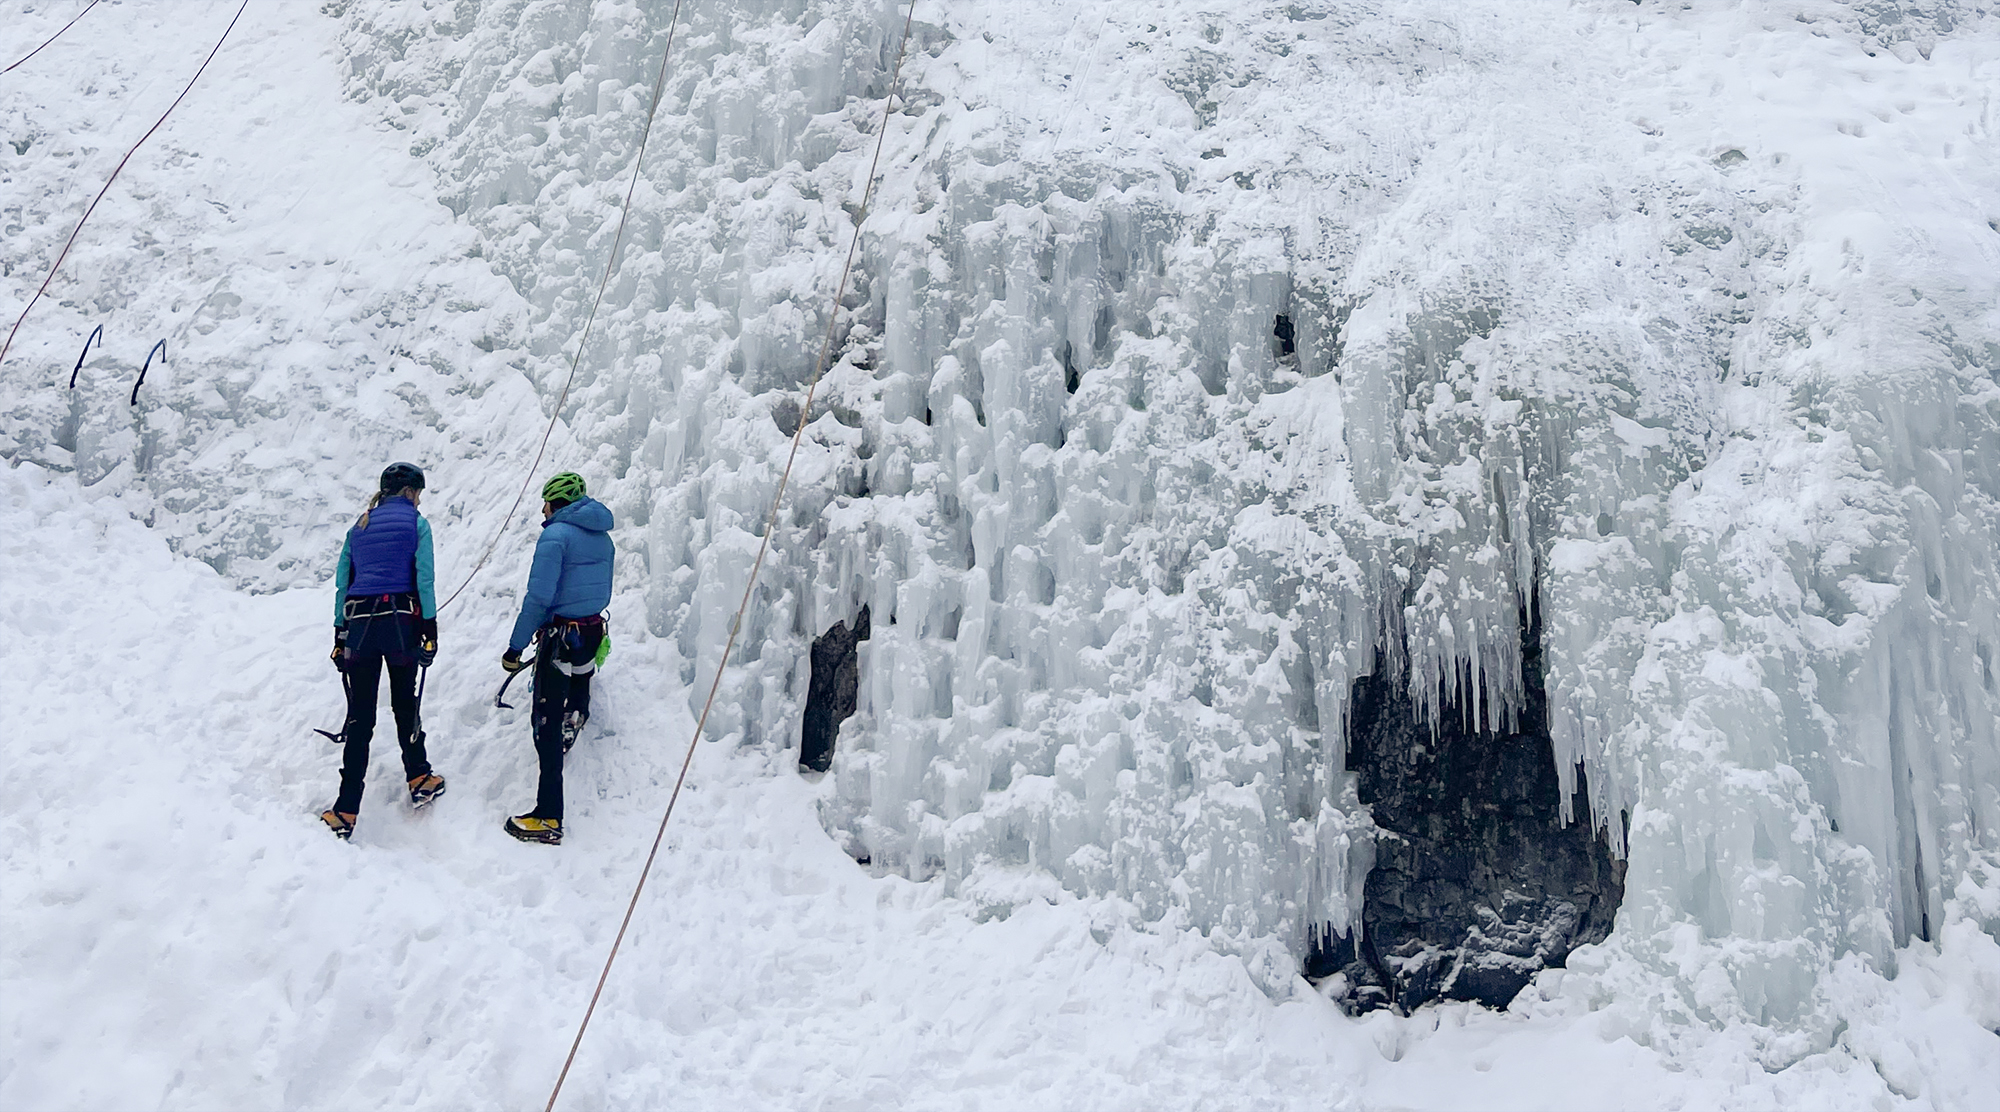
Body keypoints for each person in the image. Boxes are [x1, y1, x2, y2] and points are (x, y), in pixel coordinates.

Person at [321, 462, 446, 840]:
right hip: (399, 623)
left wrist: (340, 636)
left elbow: (344, 584)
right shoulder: (416, 525)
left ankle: (345, 810)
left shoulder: (357, 527)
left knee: (360, 717)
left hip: (359, 627)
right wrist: (430, 631)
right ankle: (419, 776)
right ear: (410, 492)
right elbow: (423, 578)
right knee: (404, 703)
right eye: (418, 493)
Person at [500, 471, 613, 845]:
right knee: (579, 684)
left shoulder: (555, 537)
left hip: (560, 636)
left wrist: (515, 648)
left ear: (557, 503)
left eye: (545, 503)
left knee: (543, 724)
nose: (542, 510)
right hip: (591, 631)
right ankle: (576, 717)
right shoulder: (603, 538)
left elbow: (538, 598)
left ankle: (548, 816)